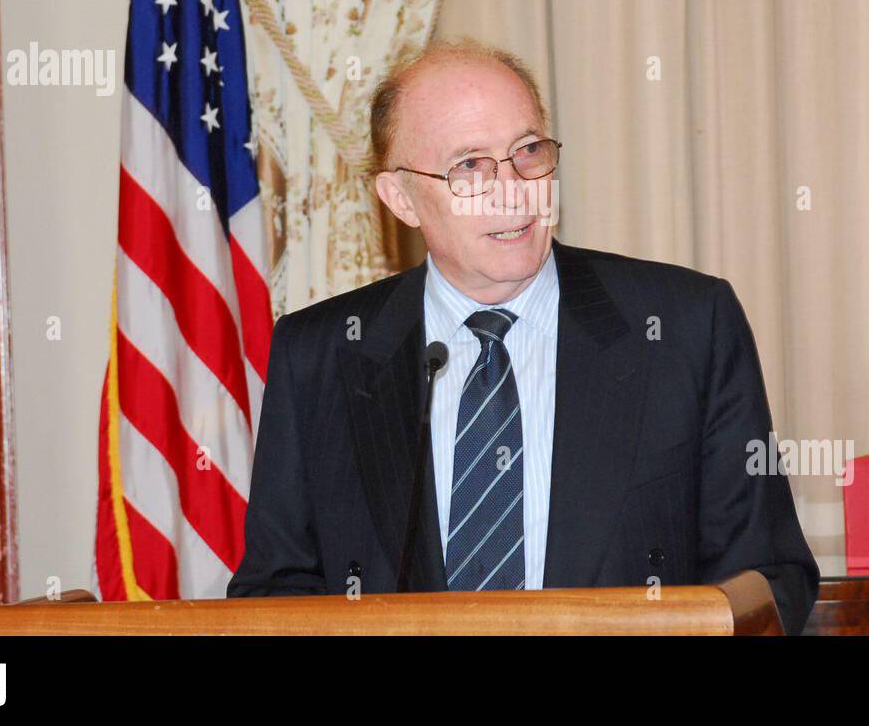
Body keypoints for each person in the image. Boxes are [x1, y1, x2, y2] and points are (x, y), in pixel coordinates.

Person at [228, 37, 821, 634]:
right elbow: (274, 594)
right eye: (469, 166)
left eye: (527, 151)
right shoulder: (321, 355)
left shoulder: (685, 327)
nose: (513, 190)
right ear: (401, 198)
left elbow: (768, 577)